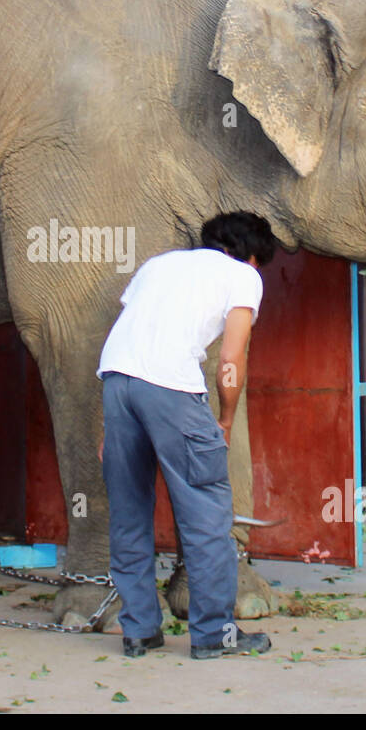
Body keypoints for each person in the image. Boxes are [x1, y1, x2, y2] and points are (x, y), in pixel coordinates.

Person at [98, 211, 277, 659]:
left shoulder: (158, 265)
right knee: (207, 515)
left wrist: (109, 426)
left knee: (128, 511)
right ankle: (214, 634)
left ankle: (138, 629)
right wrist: (226, 420)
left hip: (117, 383)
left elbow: (137, 336)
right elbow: (231, 359)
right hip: (172, 390)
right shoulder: (243, 276)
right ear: (252, 257)